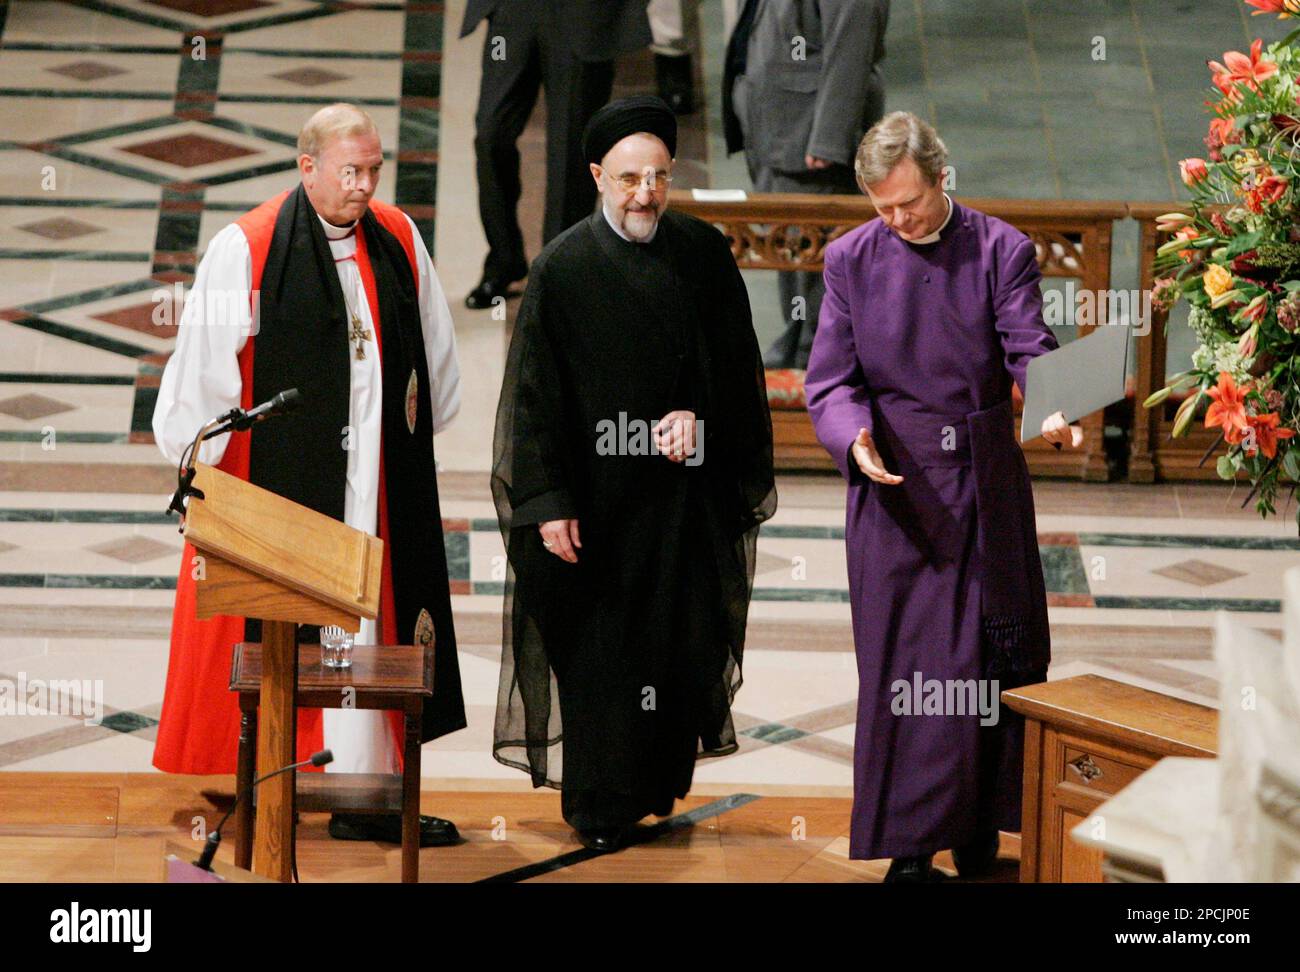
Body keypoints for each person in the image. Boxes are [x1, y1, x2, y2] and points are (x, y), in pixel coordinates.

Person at [152, 103, 466, 848]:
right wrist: (205, 480)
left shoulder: (397, 238)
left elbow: (435, 359)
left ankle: (372, 792)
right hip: (284, 491)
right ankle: (271, 779)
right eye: (349, 171)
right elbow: (201, 382)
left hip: (378, 483)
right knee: (292, 623)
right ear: (307, 167)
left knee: (373, 620)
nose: (363, 186)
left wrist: (417, 433)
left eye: (373, 170)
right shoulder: (248, 248)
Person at [490, 96, 776, 852]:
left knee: (677, 652)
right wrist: (547, 502)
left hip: (682, 510)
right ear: (596, 177)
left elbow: (739, 380)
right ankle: (598, 804)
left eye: (657, 177)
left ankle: (651, 789)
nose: (644, 193)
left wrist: (698, 421)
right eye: (628, 179)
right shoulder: (563, 268)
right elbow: (531, 400)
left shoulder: (704, 257)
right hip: (598, 513)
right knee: (604, 663)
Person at [804, 112, 1083, 883]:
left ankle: (981, 833)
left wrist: (1051, 400)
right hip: (895, 487)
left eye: (910, 204)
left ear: (941, 178)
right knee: (911, 668)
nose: (897, 221)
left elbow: (1029, 344)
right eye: (882, 208)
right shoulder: (849, 260)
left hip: (985, 482)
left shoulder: (1001, 248)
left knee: (992, 664)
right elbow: (830, 379)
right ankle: (912, 848)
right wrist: (852, 436)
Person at [724, 0, 890, 369]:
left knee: (821, 259)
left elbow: (852, 44)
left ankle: (824, 360)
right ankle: (799, 340)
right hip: (776, 129)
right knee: (789, 249)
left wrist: (830, 138)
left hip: (811, 137)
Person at [460, 0, 652, 309]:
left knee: (570, 150)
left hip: (583, 15)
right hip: (513, 13)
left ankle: (558, 274)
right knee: (490, 135)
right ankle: (504, 259)